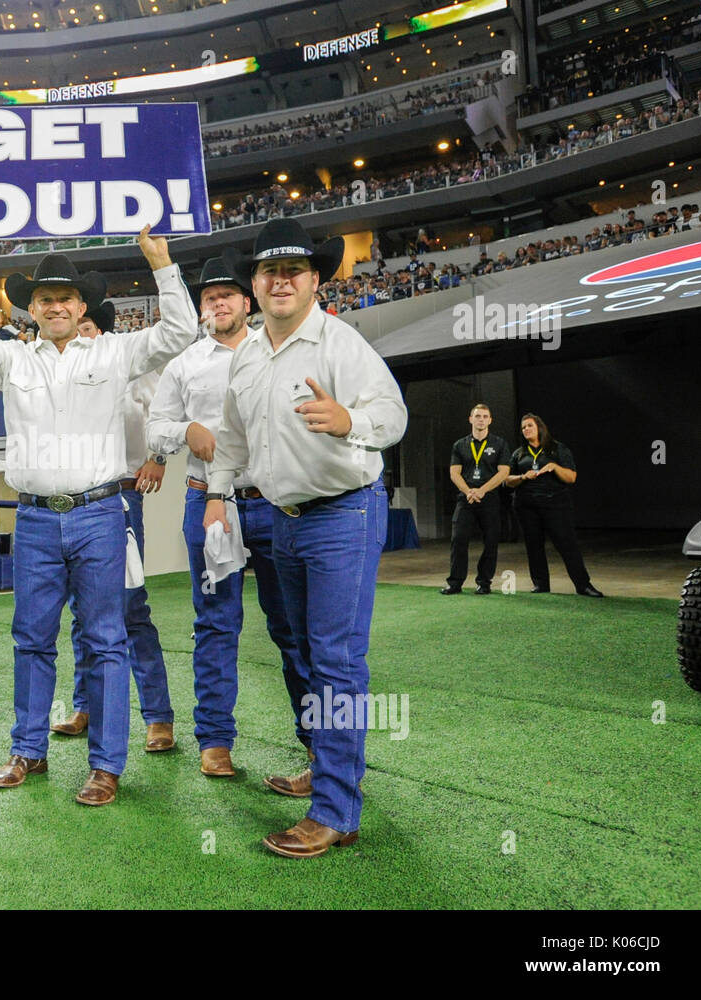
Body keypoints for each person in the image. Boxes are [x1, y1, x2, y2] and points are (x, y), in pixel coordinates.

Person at [0, 226, 197, 806]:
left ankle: (106, 766)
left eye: (65, 298)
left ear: (82, 306)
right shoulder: (10, 359)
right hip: (32, 520)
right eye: (44, 299)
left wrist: (161, 262)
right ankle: (27, 751)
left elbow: (181, 330)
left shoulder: (113, 351)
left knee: (106, 639)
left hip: (99, 513)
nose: (55, 306)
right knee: (30, 638)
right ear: (29, 309)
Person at [205, 218, 407, 858]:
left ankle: (338, 811)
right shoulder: (246, 355)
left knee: (336, 660)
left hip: (343, 513)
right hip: (280, 520)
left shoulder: (340, 344)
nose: (281, 280)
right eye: (269, 271)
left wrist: (351, 420)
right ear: (255, 286)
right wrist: (217, 491)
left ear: (316, 280)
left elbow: (393, 415)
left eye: (294, 270)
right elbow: (233, 440)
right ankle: (328, 769)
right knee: (297, 649)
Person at [147, 254, 299, 779]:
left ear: (247, 299)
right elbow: (155, 428)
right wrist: (184, 431)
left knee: (292, 626)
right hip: (210, 503)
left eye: (227, 294)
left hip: (279, 502)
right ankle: (214, 740)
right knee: (215, 624)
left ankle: (315, 744)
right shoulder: (184, 364)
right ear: (201, 306)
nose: (219, 302)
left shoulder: (276, 351)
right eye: (209, 296)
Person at [52, 300, 174, 754]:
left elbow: (163, 415)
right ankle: (85, 706)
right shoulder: (63, 372)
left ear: (101, 330)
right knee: (82, 608)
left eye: (86, 326)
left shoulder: (132, 366)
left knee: (128, 605)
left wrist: (158, 458)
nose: (80, 335)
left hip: (121, 492)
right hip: (76, 500)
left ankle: (158, 715)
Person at [505, 413, 603, 597]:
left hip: (555, 505)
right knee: (534, 546)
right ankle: (541, 585)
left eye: (529, 426)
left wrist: (554, 467)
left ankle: (583, 585)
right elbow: (507, 480)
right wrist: (523, 476)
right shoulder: (519, 454)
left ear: (539, 428)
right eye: (523, 427)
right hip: (527, 506)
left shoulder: (557, 449)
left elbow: (572, 477)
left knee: (567, 545)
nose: (526, 429)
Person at [441, 403, 511, 595]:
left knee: (491, 540)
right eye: (477, 416)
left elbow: (504, 472)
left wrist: (482, 490)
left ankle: (484, 582)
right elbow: (454, 473)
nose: (481, 419)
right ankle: (455, 583)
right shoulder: (460, 445)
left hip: (489, 499)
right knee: (459, 539)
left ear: (490, 420)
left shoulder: (499, 444)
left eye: (485, 416)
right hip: (466, 499)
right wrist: (469, 491)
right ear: (470, 419)